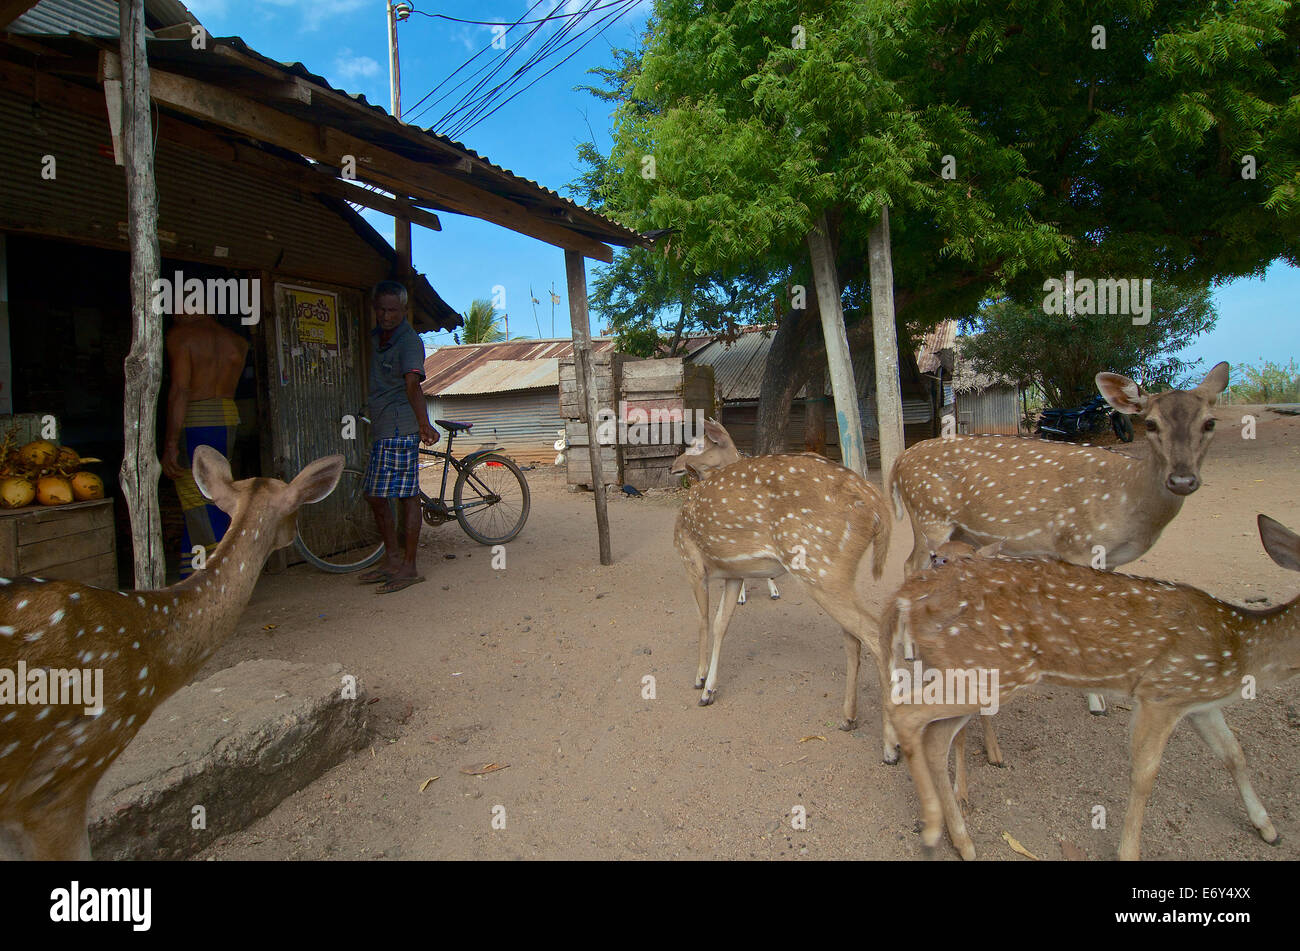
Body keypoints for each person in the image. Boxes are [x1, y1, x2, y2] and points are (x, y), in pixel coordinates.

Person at [359, 280, 439, 593]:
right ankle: (392, 559)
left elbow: (412, 386)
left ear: (403, 310)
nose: (385, 315)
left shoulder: (409, 342)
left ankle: (409, 565)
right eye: (381, 309)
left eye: (392, 310)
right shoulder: (378, 337)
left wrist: (423, 423)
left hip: (400, 427)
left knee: (406, 496)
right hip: (382, 426)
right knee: (376, 495)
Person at [161, 304, 249, 578]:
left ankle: (210, 571)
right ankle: (216, 563)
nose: (172, 314)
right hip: (227, 418)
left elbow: (180, 390)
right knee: (217, 491)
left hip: (196, 419)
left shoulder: (181, 336)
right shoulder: (238, 342)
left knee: (194, 496)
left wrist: (170, 443)